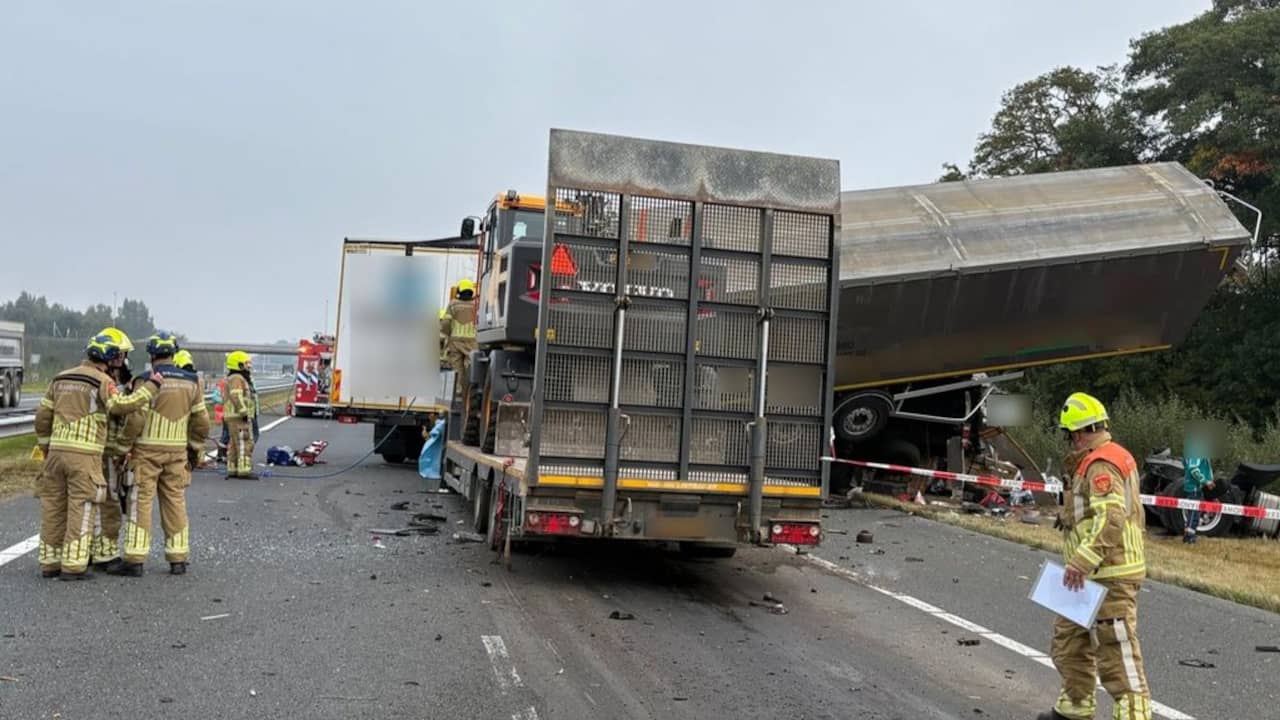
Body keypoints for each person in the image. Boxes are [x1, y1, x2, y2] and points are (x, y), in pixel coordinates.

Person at [1040, 392, 1150, 720]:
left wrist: (1082, 560)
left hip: (1110, 573)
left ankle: (1133, 716)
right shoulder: (1093, 460)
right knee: (1068, 644)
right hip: (1084, 576)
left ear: (1077, 432)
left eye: (1069, 435)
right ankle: (1074, 708)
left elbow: (1112, 518)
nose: (1069, 442)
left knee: (1116, 652)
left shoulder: (1102, 463)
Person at [32, 331, 160, 580]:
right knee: (83, 506)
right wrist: (150, 389)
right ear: (111, 358)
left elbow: (42, 417)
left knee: (54, 507)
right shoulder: (102, 381)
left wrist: (46, 446)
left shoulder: (60, 378)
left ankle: (50, 562)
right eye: (119, 356)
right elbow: (121, 407)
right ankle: (74, 566)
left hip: (56, 454)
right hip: (86, 455)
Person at [120, 333, 210, 576]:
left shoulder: (145, 380)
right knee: (175, 502)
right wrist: (194, 448)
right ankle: (178, 558)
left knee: (141, 502)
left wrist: (124, 445)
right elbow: (202, 421)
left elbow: (136, 417)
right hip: (177, 453)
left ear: (151, 356)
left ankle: (135, 560)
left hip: (146, 452)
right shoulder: (193, 381)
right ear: (173, 353)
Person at [91, 328, 146, 574]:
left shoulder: (85, 379)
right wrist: (124, 448)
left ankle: (86, 551)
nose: (125, 360)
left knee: (86, 502)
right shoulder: (112, 386)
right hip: (108, 452)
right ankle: (105, 553)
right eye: (123, 355)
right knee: (110, 502)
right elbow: (131, 417)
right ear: (114, 357)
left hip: (87, 450)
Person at [223, 350, 259, 480]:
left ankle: (232, 469)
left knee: (234, 443)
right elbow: (236, 396)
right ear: (238, 365)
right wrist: (244, 412)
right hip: (239, 417)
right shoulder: (237, 378)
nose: (248, 367)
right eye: (245, 364)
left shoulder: (233, 378)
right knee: (245, 442)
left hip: (232, 416)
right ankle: (244, 470)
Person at [440, 279, 477, 401]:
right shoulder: (476, 305)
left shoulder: (453, 304)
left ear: (459, 291)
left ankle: (458, 393)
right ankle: (469, 393)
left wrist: (446, 335)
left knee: (457, 369)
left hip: (455, 342)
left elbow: (446, 323)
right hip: (472, 343)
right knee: (469, 367)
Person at [1181, 431, 1215, 545]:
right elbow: (1193, 468)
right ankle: (1189, 536)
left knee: (1194, 511)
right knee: (1194, 512)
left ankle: (1190, 534)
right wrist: (1204, 481)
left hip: (1193, 485)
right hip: (1195, 486)